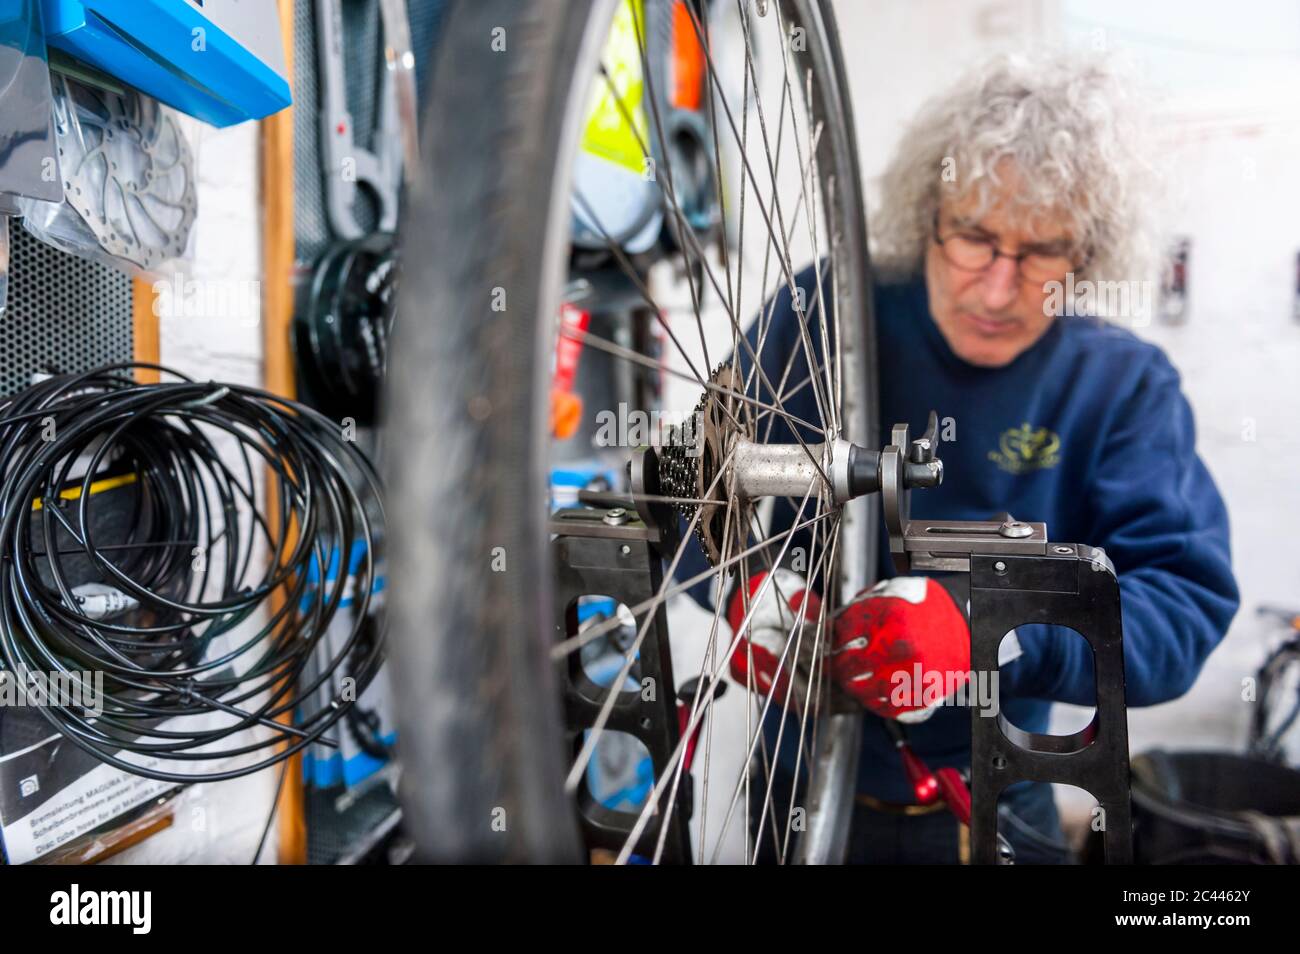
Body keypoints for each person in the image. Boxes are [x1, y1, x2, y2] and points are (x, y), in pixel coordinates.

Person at [699, 52, 1240, 863]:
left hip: (996, 801)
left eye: (1041, 252)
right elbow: (684, 499)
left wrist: (1002, 629)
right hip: (795, 795)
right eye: (975, 239)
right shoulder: (817, 316)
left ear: (1086, 255)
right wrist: (740, 587)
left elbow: (1184, 608)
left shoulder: (1123, 385)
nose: (996, 289)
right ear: (928, 215)